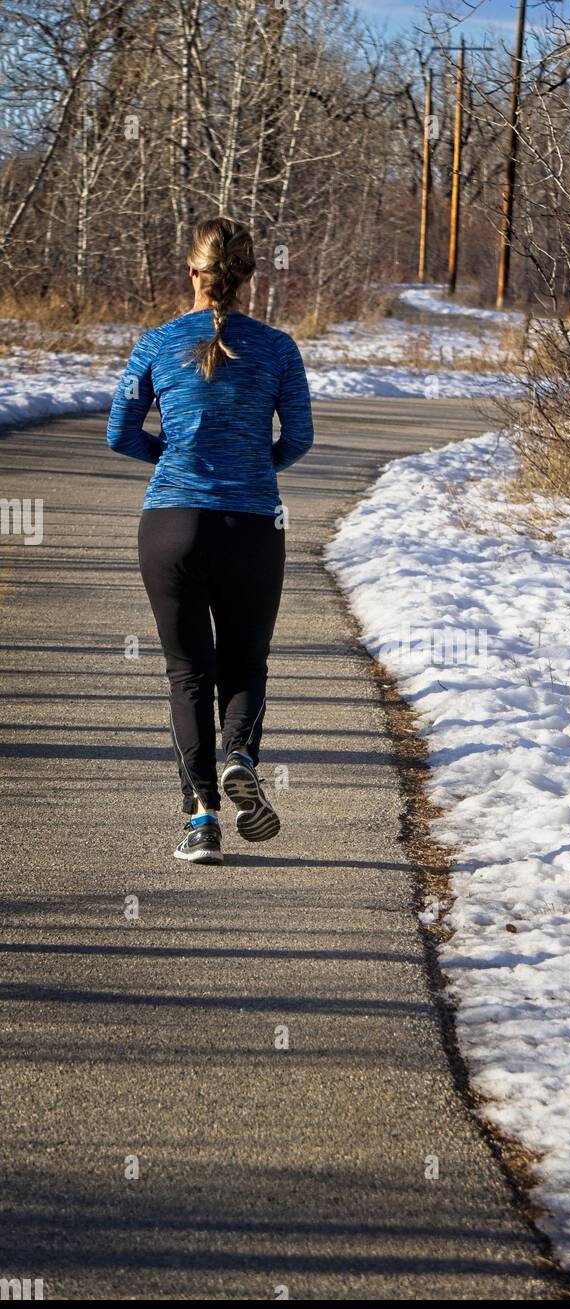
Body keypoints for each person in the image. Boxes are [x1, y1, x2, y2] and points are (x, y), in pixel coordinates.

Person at [107, 216, 313, 865]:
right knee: (245, 663)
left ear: (191, 271)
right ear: (248, 275)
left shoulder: (156, 343)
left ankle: (202, 822)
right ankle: (241, 757)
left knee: (188, 674)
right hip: (253, 526)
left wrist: (174, 460)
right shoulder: (279, 348)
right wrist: (253, 468)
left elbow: (119, 432)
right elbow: (300, 438)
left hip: (171, 525)